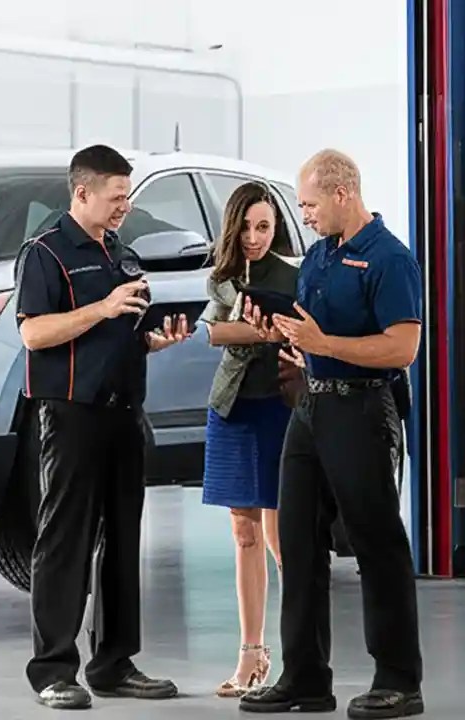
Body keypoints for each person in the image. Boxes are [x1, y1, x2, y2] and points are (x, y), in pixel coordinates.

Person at [238, 149, 425, 719]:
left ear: (343, 194)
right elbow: (311, 331)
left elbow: (403, 347)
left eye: (311, 204)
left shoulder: (390, 259)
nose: (306, 214)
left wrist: (326, 347)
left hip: (361, 411)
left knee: (376, 543)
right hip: (310, 410)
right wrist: (282, 332)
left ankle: (398, 680)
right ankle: (305, 679)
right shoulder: (318, 255)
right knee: (295, 543)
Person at [14, 143, 191, 711]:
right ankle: (52, 671)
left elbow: (125, 330)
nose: (124, 207)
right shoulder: (45, 254)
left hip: (124, 414)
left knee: (122, 542)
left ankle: (114, 664)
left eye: (128, 197)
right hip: (71, 415)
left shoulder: (123, 251)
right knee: (65, 539)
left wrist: (154, 340)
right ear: (82, 192)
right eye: (117, 197)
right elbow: (34, 334)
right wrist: (102, 307)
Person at [197, 181, 302, 697]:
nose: (254, 237)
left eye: (263, 226)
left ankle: (300, 656)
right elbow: (213, 332)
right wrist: (253, 328)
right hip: (233, 407)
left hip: (280, 409)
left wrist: (272, 332)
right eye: (245, 227)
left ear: (276, 226)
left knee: (284, 538)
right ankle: (252, 653)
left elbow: (306, 334)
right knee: (243, 532)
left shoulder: (295, 275)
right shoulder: (220, 278)